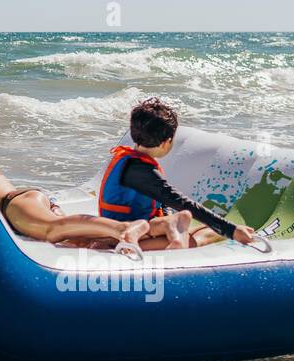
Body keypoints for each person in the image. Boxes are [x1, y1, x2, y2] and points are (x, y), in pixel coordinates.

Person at [0, 119, 148, 250]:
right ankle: (156, 230)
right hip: (26, 200)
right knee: (80, 240)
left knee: (54, 229)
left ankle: (124, 227)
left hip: (16, 205)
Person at [99, 97, 256, 248]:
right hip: (125, 230)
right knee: (196, 239)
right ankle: (114, 244)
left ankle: (224, 231)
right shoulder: (141, 171)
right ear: (166, 141)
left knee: (199, 228)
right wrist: (231, 230)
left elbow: (164, 203)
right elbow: (181, 202)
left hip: (123, 225)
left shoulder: (126, 159)